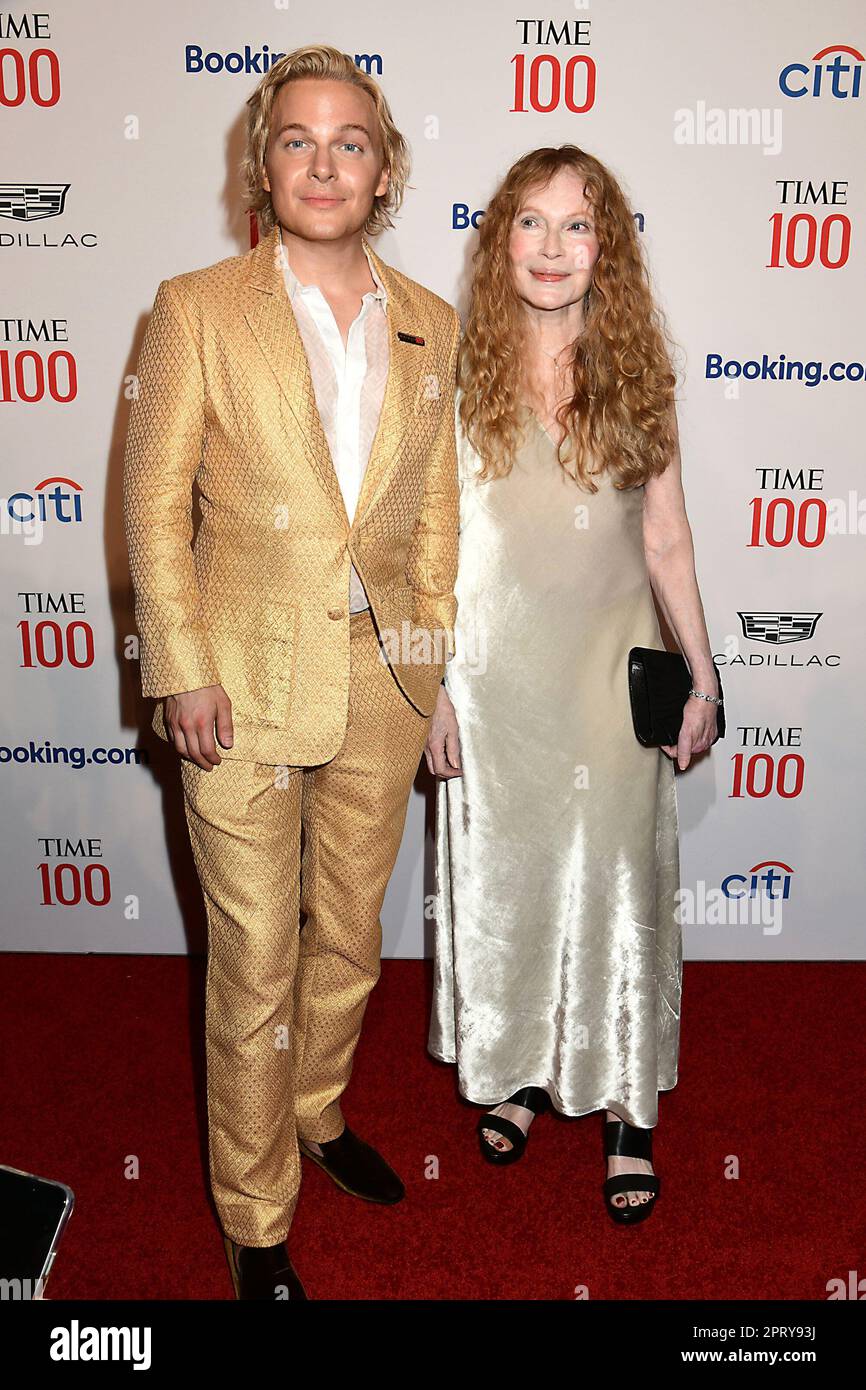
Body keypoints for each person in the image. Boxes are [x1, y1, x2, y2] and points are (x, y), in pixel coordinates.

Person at [122, 44, 460, 1298]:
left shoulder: (434, 318)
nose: (325, 162)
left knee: (354, 936)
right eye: (298, 139)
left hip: (383, 683)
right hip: (239, 689)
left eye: (351, 141)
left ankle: (317, 1110)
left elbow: (435, 520)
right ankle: (254, 1216)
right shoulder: (195, 305)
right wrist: (181, 671)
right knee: (256, 955)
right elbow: (153, 513)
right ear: (261, 163)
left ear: (385, 170)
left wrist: (433, 680)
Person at [425, 146, 722, 1225]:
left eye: (577, 226)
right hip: (491, 684)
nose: (552, 249)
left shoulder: (635, 376)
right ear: (500, 237)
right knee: (507, 889)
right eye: (531, 224)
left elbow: (666, 538)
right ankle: (512, 1067)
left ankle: (625, 1113)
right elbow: (429, 547)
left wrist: (703, 676)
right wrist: (432, 690)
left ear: (608, 249)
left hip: (604, 677)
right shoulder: (453, 376)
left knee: (615, 892)